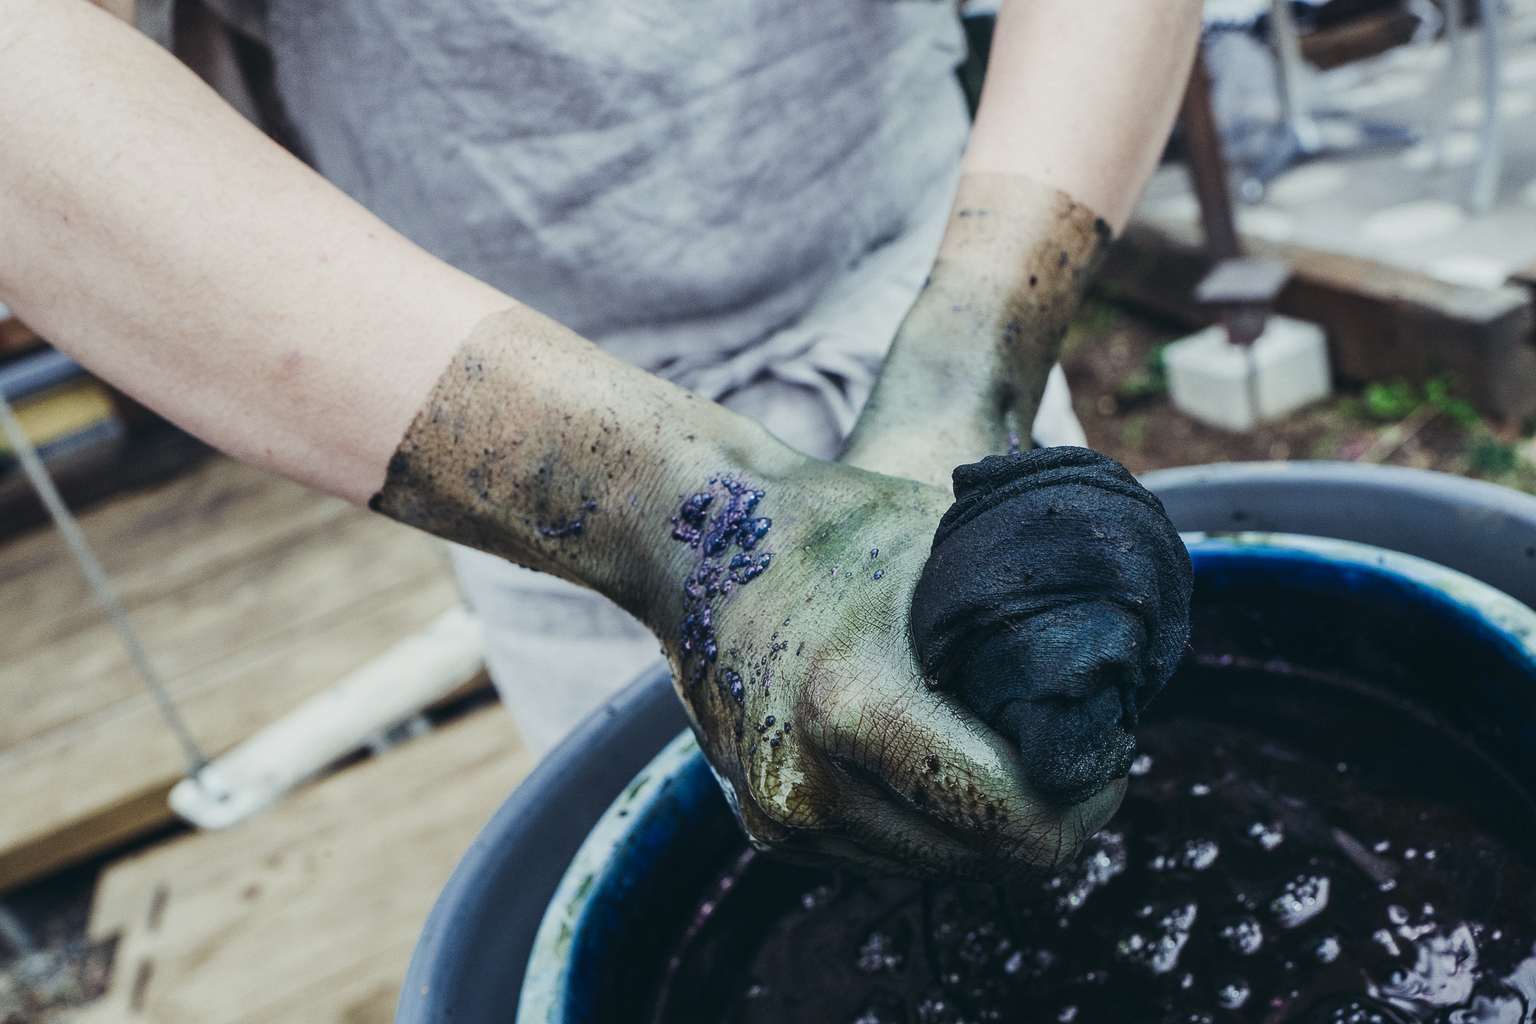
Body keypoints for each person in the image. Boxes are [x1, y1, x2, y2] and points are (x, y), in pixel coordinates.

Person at [0, 0, 1202, 879]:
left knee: (1065, 804)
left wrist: (972, 363)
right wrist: (673, 518)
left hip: (953, 299)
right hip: (534, 448)